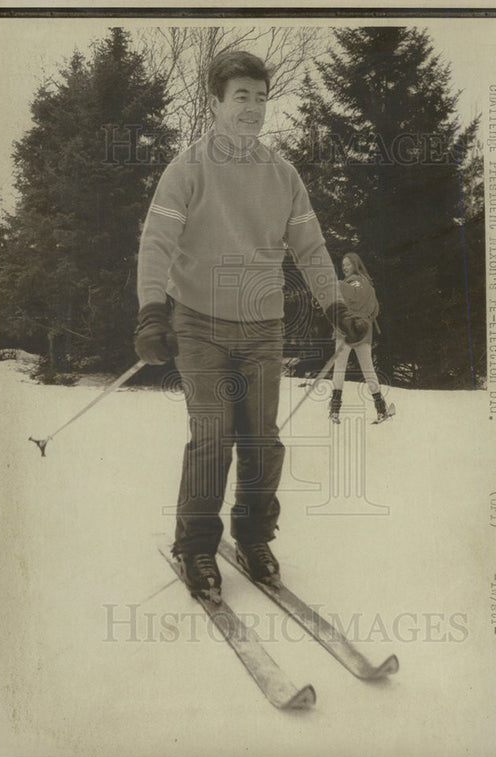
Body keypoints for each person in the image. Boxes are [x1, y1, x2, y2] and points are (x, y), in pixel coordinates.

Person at [134, 51, 367, 602]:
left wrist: (335, 306)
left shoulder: (282, 176)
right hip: (199, 324)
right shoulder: (186, 170)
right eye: (241, 97)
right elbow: (156, 244)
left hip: (263, 327)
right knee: (212, 437)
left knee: (262, 440)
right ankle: (195, 545)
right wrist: (151, 310)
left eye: (261, 98)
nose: (253, 109)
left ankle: (254, 537)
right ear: (214, 102)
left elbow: (311, 250)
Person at [328, 252, 388, 423]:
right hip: (363, 332)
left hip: (346, 330)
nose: (344, 267)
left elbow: (353, 294)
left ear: (355, 264)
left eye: (347, 264)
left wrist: (335, 284)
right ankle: (381, 408)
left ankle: (334, 411)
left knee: (339, 369)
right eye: (343, 265)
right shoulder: (369, 284)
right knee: (368, 369)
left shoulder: (355, 281)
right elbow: (375, 310)